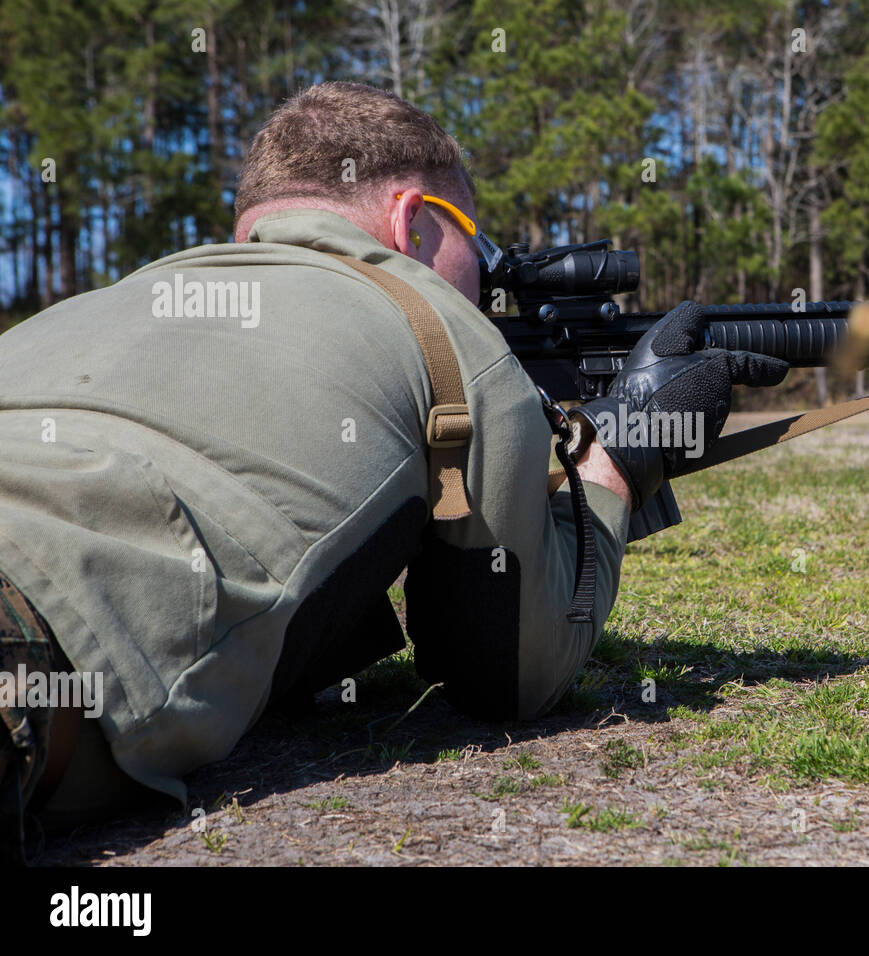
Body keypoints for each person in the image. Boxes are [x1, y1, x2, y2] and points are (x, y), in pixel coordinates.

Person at [0, 81, 787, 863]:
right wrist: (617, 464)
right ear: (414, 223)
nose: (483, 283)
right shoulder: (437, 326)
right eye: (477, 250)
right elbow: (513, 673)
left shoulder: (93, 304)